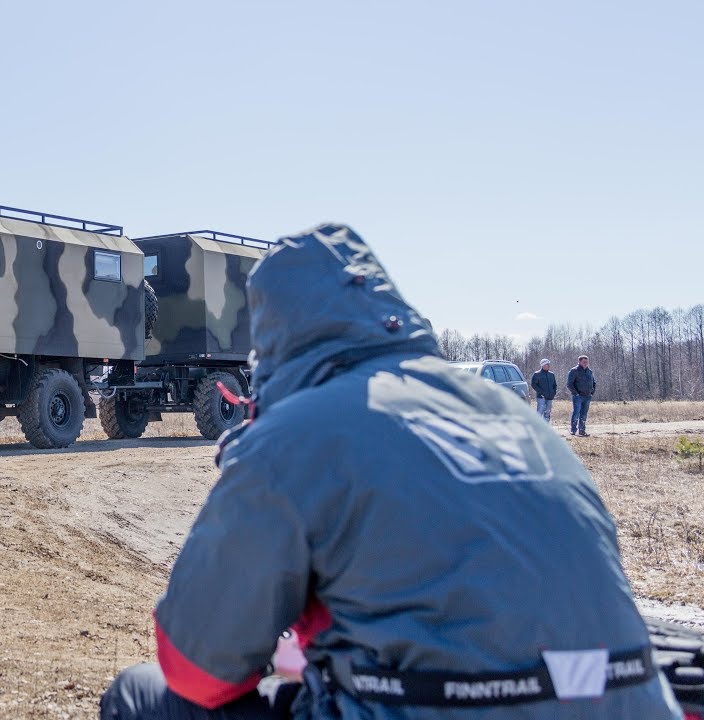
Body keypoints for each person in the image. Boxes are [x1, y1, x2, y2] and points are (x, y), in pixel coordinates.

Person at [99, 224, 681, 719]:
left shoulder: (292, 435)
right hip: (629, 699)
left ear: (272, 332)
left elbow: (199, 669)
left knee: (138, 694)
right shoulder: (512, 415)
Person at [566, 355, 597, 437]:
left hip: (587, 396)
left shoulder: (589, 371)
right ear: (579, 362)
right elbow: (569, 384)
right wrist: (576, 393)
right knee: (576, 413)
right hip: (578, 397)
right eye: (584, 362)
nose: (586, 363)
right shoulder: (574, 371)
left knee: (584, 414)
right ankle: (573, 430)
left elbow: (594, 383)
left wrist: (592, 392)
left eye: (587, 362)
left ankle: (582, 431)